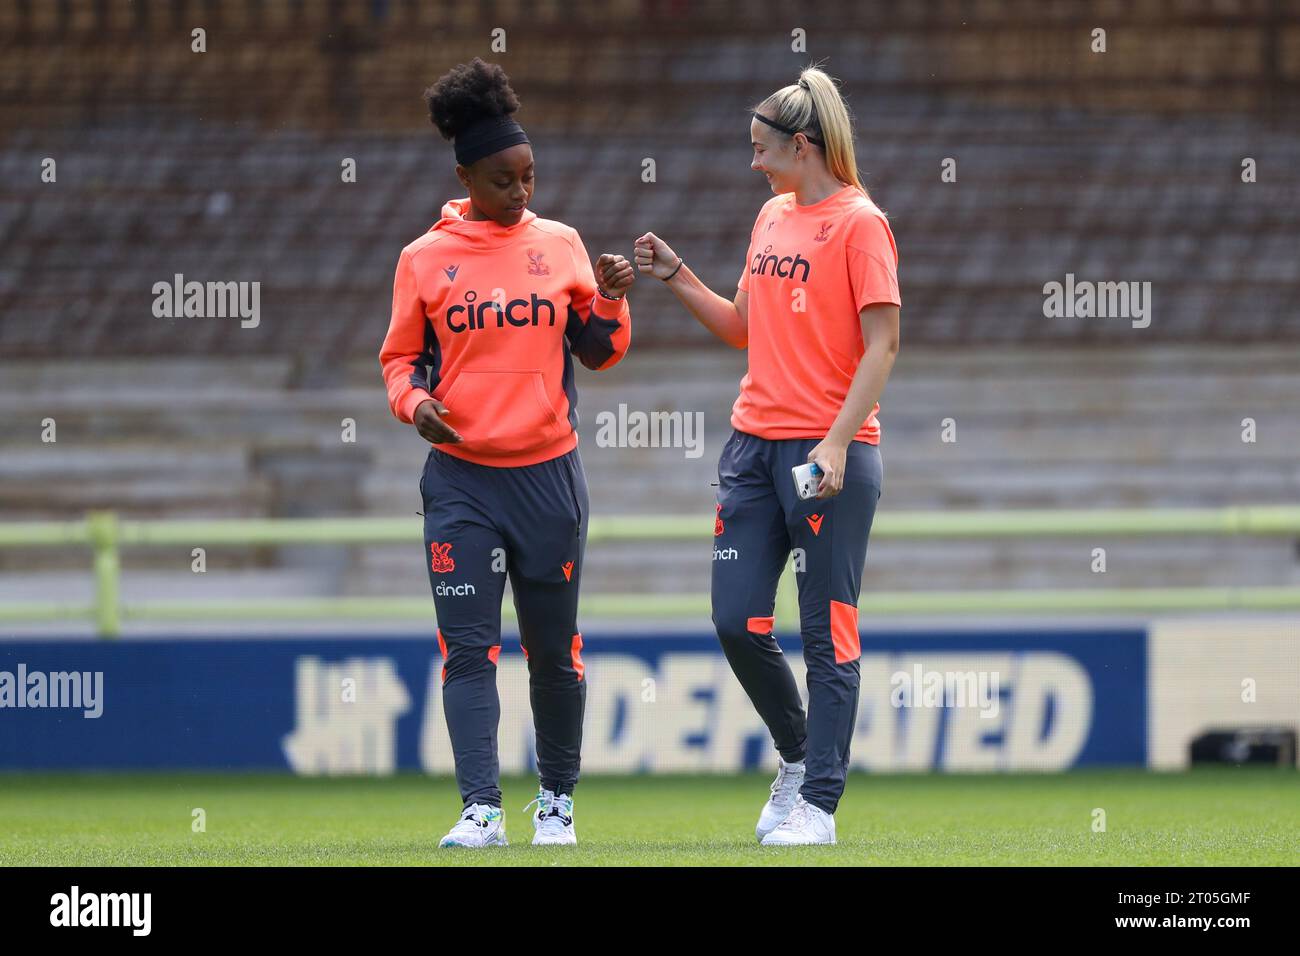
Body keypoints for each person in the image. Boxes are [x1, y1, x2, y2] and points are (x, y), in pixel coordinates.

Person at [634, 65, 900, 846]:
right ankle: (797, 754)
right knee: (734, 620)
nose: (754, 162)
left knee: (826, 634)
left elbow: (884, 344)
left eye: (762, 149)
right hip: (751, 448)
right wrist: (677, 275)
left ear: (802, 145)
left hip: (826, 455)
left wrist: (838, 440)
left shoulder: (862, 224)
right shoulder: (771, 217)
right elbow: (742, 328)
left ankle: (819, 807)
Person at [379, 58, 634, 848]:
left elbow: (599, 351)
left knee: (553, 652)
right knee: (468, 650)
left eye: (528, 177)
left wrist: (612, 297)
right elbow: (399, 361)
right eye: (502, 180)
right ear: (464, 178)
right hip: (462, 484)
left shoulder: (561, 246)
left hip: (548, 480)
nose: (520, 191)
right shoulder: (424, 259)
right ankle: (481, 810)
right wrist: (417, 406)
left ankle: (556, 804)